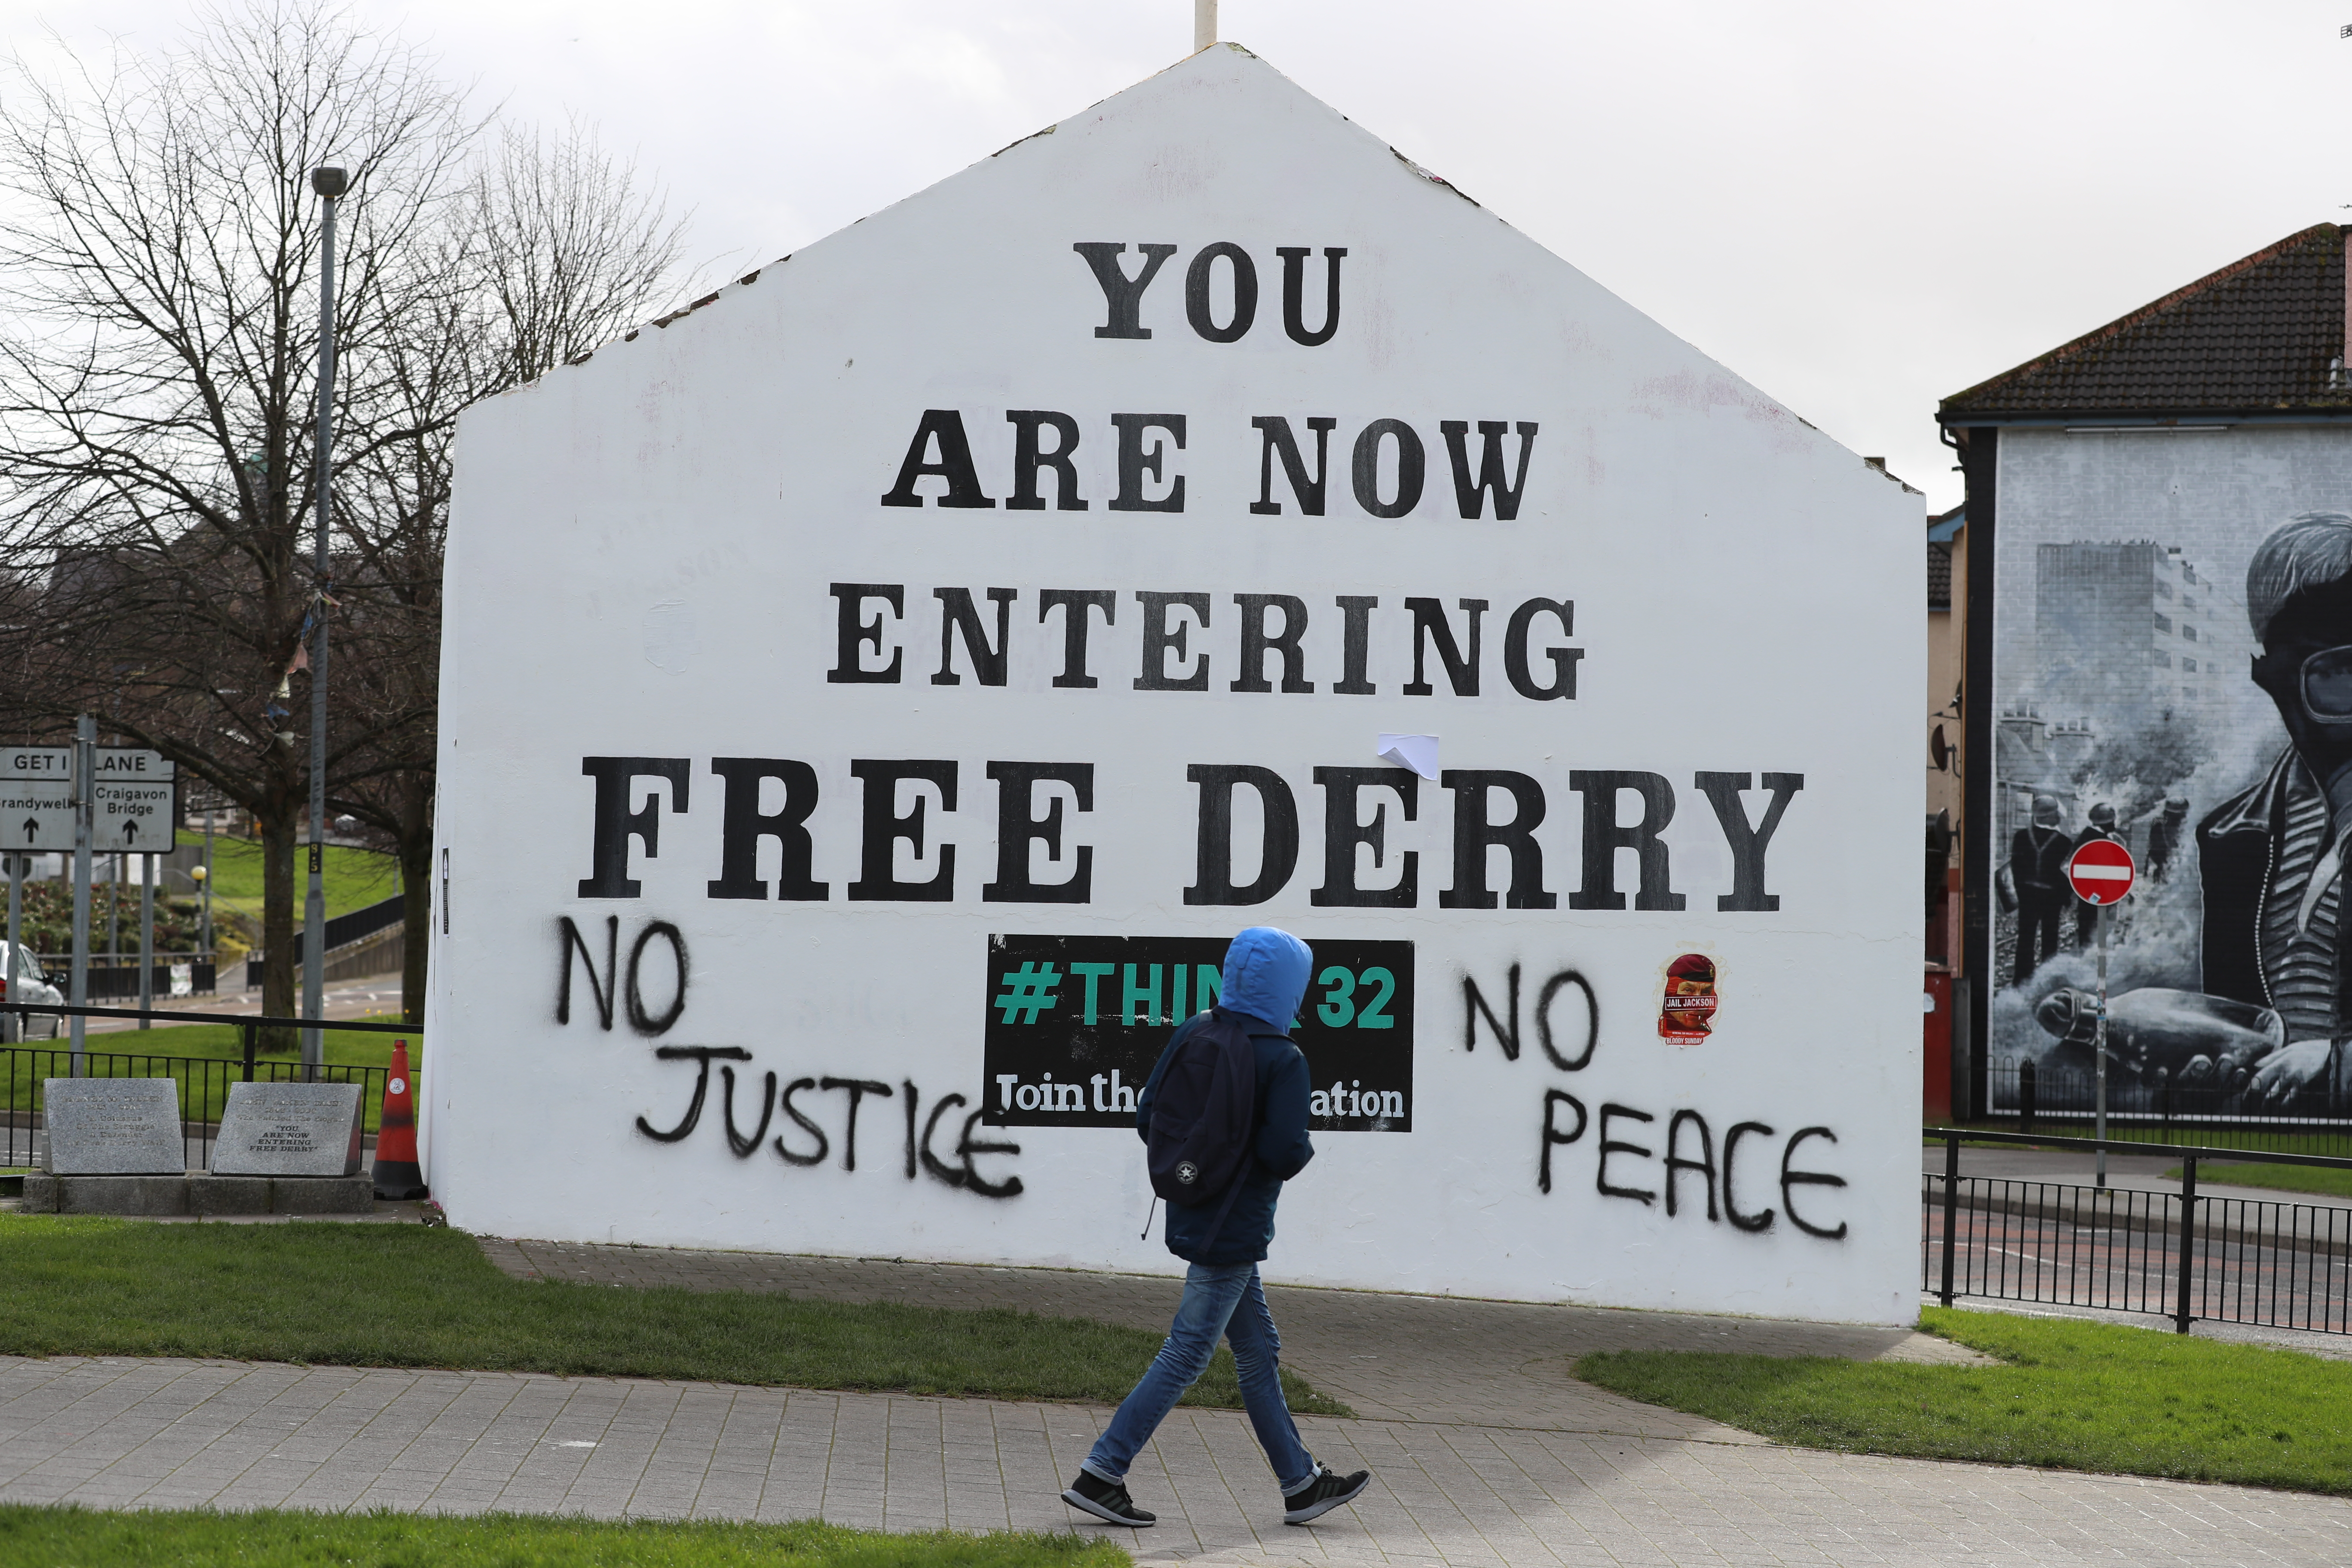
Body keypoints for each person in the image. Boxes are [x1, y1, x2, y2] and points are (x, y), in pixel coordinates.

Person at [1061, 925, 1372, 1530]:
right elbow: (1284, 1151)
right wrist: (1284, 1153)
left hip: (1196, 1207)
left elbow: (1149, 1115)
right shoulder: (1284, 1058)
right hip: (1237, 1226)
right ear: (1287, 989)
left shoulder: (1196, 1030)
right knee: (1188, 1350)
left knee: (1259, 1348)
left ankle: (1301, 1485)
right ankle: (1102, 1472)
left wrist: (1204, 1164)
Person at [2202, 514, 2352, 1109]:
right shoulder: (2228, 837)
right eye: (2336, 674)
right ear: (2273, 681)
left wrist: (2337, 1065)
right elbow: (2230, 1019)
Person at [2009, 794, 2071, 985]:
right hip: (2052, 897)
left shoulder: (2020, 837)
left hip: (2028, 895)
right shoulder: (2064, 842)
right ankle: (2047, 978)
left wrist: (2021, 893)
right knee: (2050, 937)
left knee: (2026, 937)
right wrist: (2066, 898)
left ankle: (2021, 979)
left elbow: (2016, 868)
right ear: (2052, 816)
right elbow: (2064, 875)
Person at [2071, 802, 2122, 949]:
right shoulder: (2103, 840)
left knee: (2086, 925)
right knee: (2099, 925)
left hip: (2087, 893)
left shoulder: (2085, 837)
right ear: (2107, 821)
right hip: (2100, 893)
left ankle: (2085, 952)